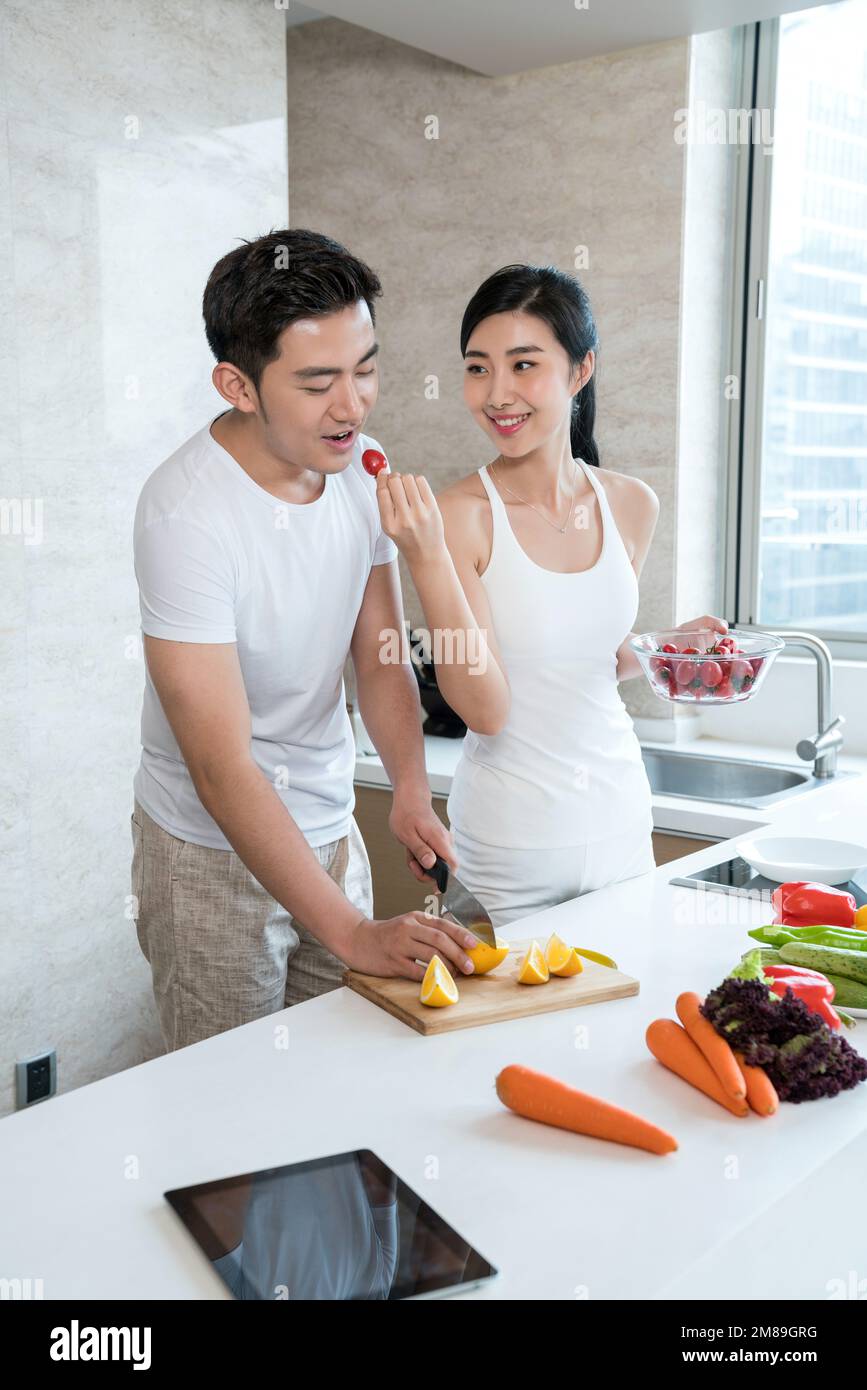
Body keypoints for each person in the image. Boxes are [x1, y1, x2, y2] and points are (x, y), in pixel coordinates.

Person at [131, 229, 476, 1052]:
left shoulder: (361, 469)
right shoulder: (186, 515)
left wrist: (410, 789)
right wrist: (354, 933)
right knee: (231, 1122)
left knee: (341, 1081)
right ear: (237, 384)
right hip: (208, 854)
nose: (353, 405)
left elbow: (379, 653)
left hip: (329, 828)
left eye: (365, 370)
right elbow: (220, 766)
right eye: (319, 382)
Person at [376, 263, 728, 926]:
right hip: (508, 853)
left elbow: (581, 660)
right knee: (503, 1027)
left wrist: (658, 648)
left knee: (630, 1022)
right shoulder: (455, 517)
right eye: (477, 368)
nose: (496, 393)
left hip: (621, 824)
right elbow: (484, 708)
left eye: (522, 365)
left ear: (579, 370)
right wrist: (424, 557)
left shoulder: (629, 503)